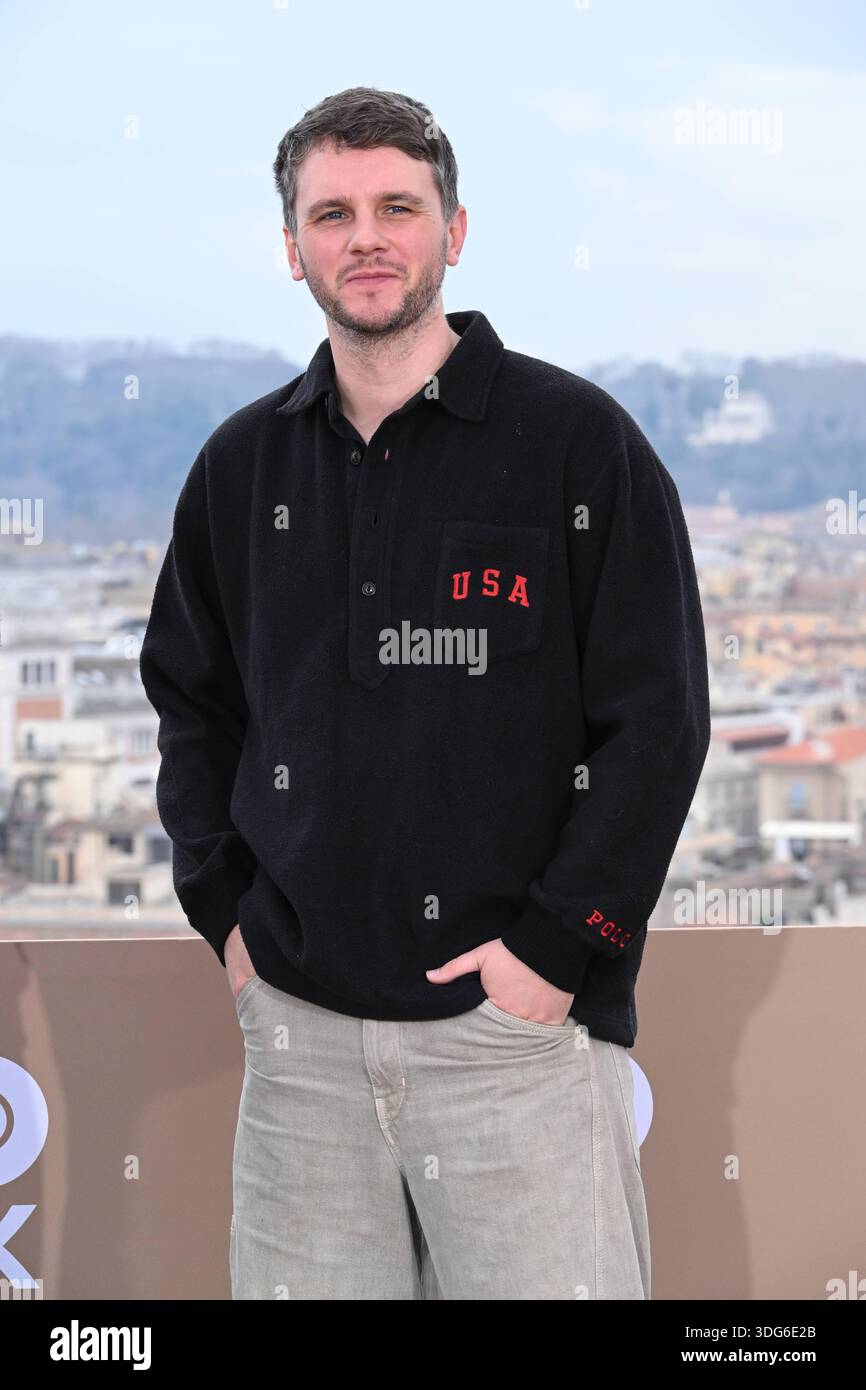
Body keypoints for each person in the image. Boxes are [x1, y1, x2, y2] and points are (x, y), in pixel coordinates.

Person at [139, 85, 711, 1300]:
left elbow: (656, 721)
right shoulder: (240, 469)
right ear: (290, 246)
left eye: (398, 206)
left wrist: (553, 956)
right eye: (331, 212)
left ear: (452, 232)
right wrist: (231, 926)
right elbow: (192, 706)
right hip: (298, 1047)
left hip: (515, 1043)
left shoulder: (577, 443)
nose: (365, 237)